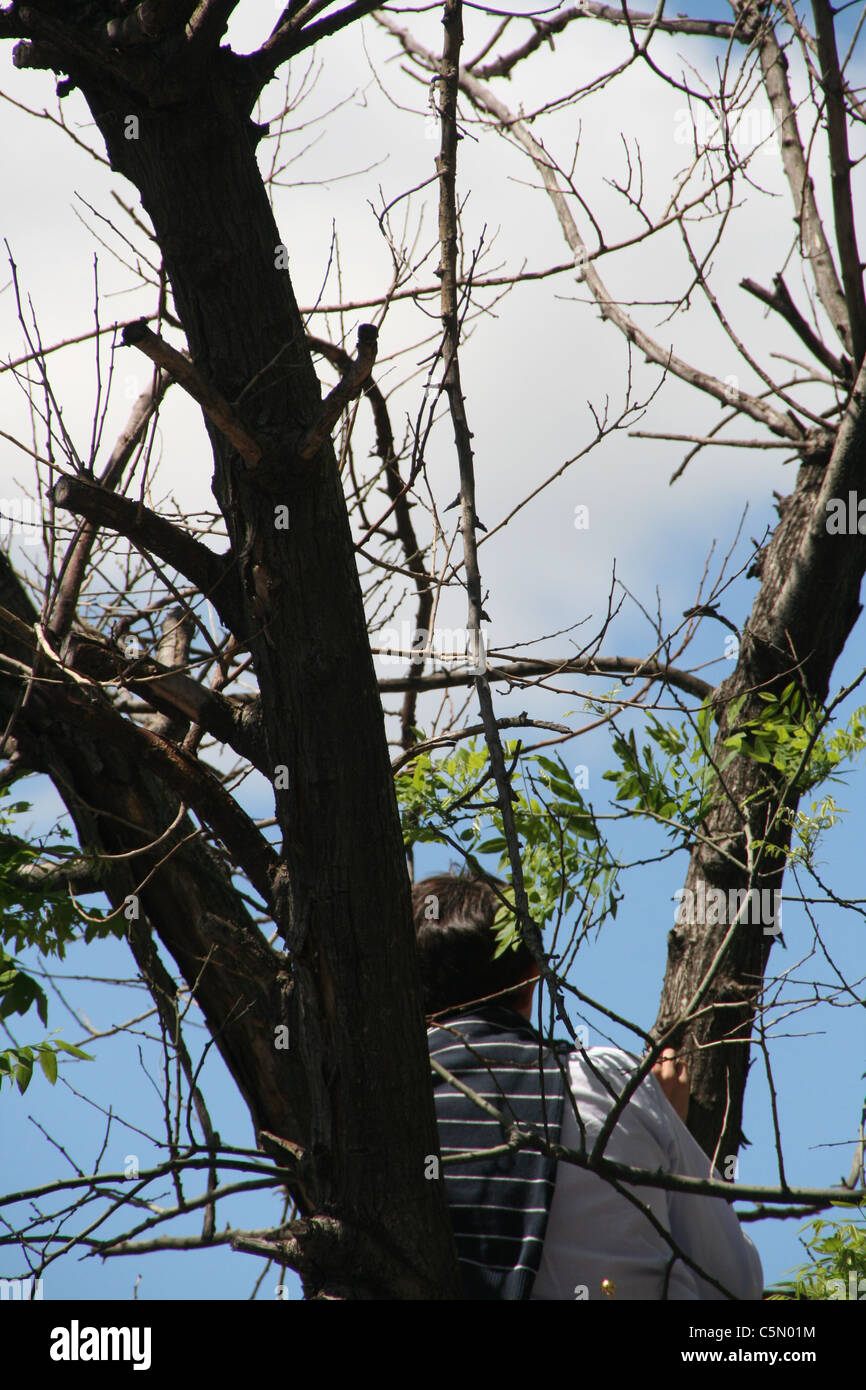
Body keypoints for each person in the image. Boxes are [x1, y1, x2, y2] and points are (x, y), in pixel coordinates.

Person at [413, 872, 764, 1301]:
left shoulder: (376, 1115)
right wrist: (672, 1124)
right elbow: (736, 1282)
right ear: (530, 973)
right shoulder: (610, 1083)